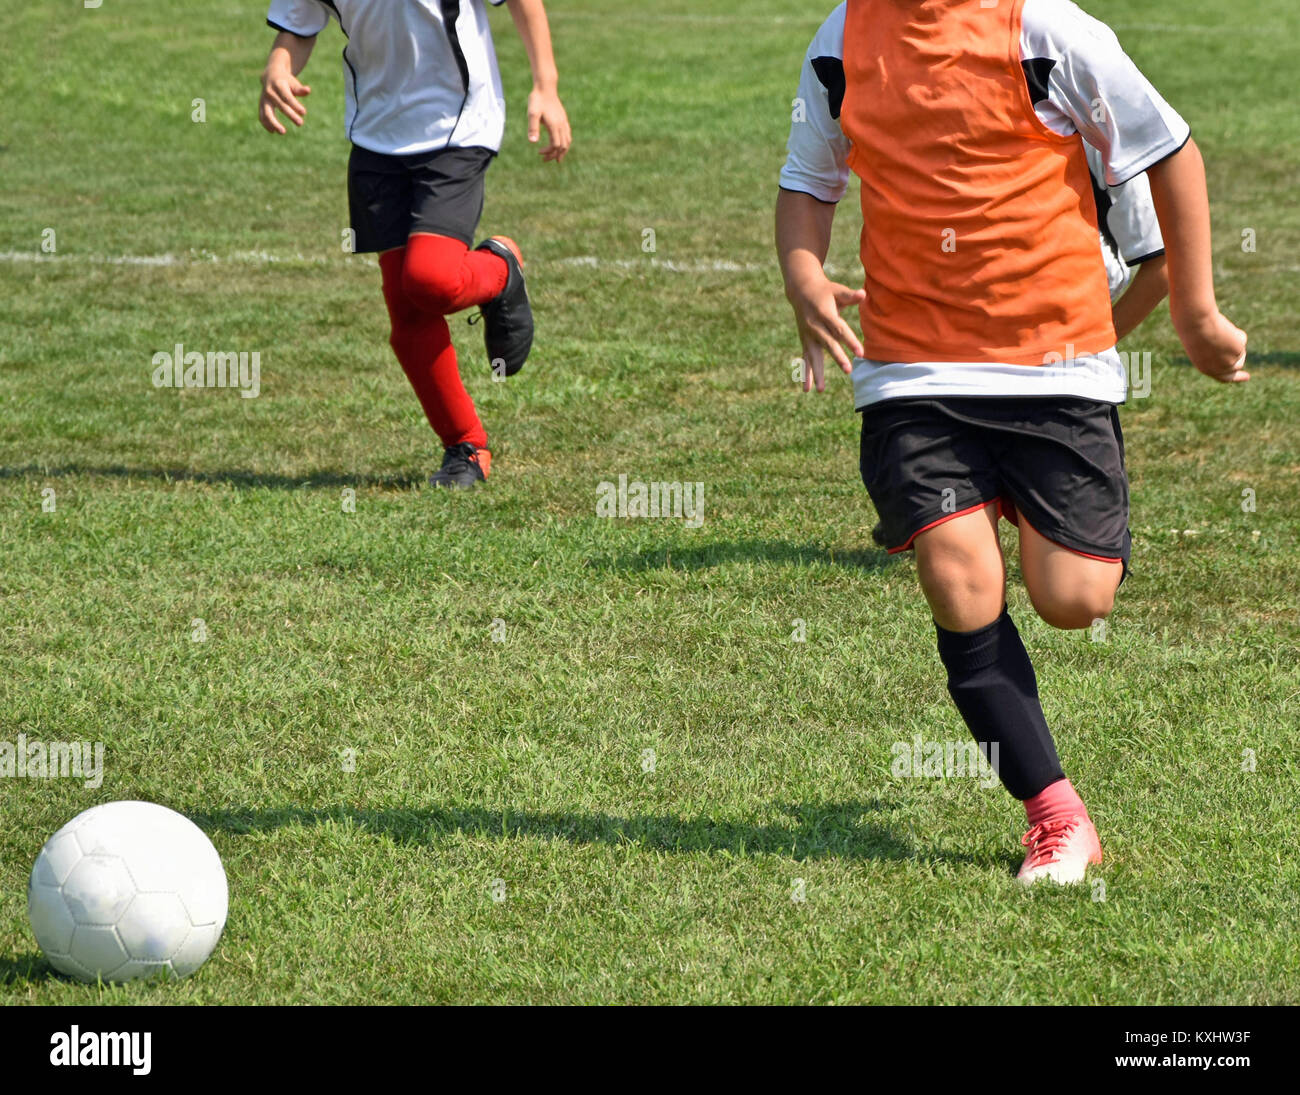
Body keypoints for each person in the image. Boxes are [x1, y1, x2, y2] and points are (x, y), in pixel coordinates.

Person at [776, 0, 1248, 884]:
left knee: (1075, 599)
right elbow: (808, 181)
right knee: (959, 582)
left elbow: (1172, 149)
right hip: (914, 375)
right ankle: (1056, 815)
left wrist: (1197, 314)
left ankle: (1003, 505)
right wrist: (803, 269)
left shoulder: (1048, 32)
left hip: (1054, 372)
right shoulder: (842, 39)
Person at [259, 0, 571, 487]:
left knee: (431, 279)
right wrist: (279, 65)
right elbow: (299, 24)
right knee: (407, 318)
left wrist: (545, 87)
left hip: (457, 127)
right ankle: (466, 447)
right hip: (377, 136)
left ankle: (498, 271)